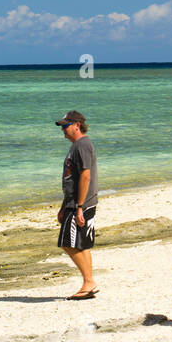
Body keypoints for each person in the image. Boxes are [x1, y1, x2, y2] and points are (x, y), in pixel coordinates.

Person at [56, 111, 99, 301]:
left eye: (65, 126)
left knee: (68, 244)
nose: (63, 131)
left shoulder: (82, 145)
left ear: (77, 125)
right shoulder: (77, 146)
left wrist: (79, 207)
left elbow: (86, 176)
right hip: (74, 203)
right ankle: (88, 284)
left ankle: (89, 281)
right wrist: (64, 205)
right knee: (80, 244)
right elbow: (71, 179)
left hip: (80, 204)